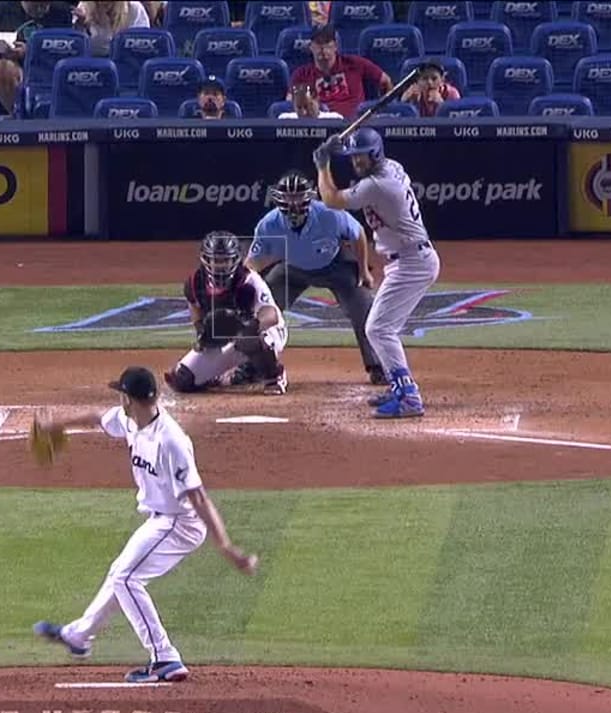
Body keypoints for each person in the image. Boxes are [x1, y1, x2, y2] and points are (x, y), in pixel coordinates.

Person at [32, 365, 258, 684]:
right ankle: (78, 635)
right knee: (120, 572)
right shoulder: (129, 419)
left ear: (128, 399)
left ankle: (165, 657)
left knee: (126, 578)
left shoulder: (171, 441)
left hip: (180, 524)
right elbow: (97, 417)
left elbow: (198, 497)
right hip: (161, 519)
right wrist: (58, 424)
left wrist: (225, 546)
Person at [314, 128, 438, 419]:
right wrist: (339, 151)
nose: (356, 162)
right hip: (408, 259)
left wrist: (322, 164)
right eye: (353, 157)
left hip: (413, 263)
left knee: (378, 329)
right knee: (381, 328)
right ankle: (399, 387)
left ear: (376, 155)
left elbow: (331, 199)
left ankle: (409, 398)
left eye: (361, 157)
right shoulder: (391, 167)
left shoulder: (377, 185)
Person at [240, 170, 384, 386]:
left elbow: (358, 234)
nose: (293, 203)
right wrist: (243, 285)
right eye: (288, 198)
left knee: (363, 308)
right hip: (293, 268)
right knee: (258, 309)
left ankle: (378, 366)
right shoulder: (268, 225)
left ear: (309, 196)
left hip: (336, 265)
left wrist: (363, 271)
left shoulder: (330, 213)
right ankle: (252, 366)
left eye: (298, 197)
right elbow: (253, 262)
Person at [164, 231, 291, 394]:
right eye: (216, 260)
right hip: (226, 338)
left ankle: (274, 376)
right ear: (206, 259)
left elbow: (271, 315)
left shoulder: (248, 280)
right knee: (183, 380)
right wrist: (202, 333)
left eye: (225, 260)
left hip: (266, 332)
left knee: (247, 339)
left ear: (235, 259)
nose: (220, 265)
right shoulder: (195, 282)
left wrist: (247, 328)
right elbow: (195, 308)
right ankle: (242, 372)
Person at [287, 24, 390, 118]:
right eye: (318, 43)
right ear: (311, 47)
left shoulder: (355, 63)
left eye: (327, 43)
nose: (322, 48)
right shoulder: (301, 74)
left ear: (335, 46)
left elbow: (385, 81)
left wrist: (387, 107)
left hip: (354, 123)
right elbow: (290, 101)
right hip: (320, 124)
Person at [74, 0, 147, 57]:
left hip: (126, 61)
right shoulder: (84, 6)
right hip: (93, 61)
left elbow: (144, 44)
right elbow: (78, 47)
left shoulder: (134, 8)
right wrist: (82, 26)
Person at [276, 81, 340, 119]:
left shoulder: (334, 119)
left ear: (317, 100)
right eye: (299, 107)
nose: (304, 112)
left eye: (307, 107)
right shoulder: (284, 120)